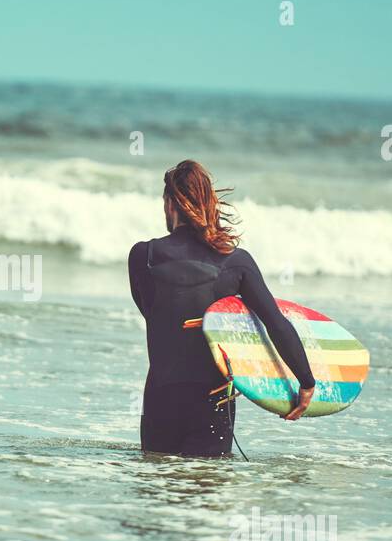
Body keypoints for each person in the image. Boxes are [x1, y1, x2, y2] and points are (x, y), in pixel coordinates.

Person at [128, 160, 315, 457]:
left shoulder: (142, 256)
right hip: (211, 401)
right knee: (207, 489)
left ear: (169, 204)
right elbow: (275, 324)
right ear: (209, 203)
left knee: (158, 489)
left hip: (161, 396)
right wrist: (306, 381)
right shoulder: (236, 262)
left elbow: (152, 312)